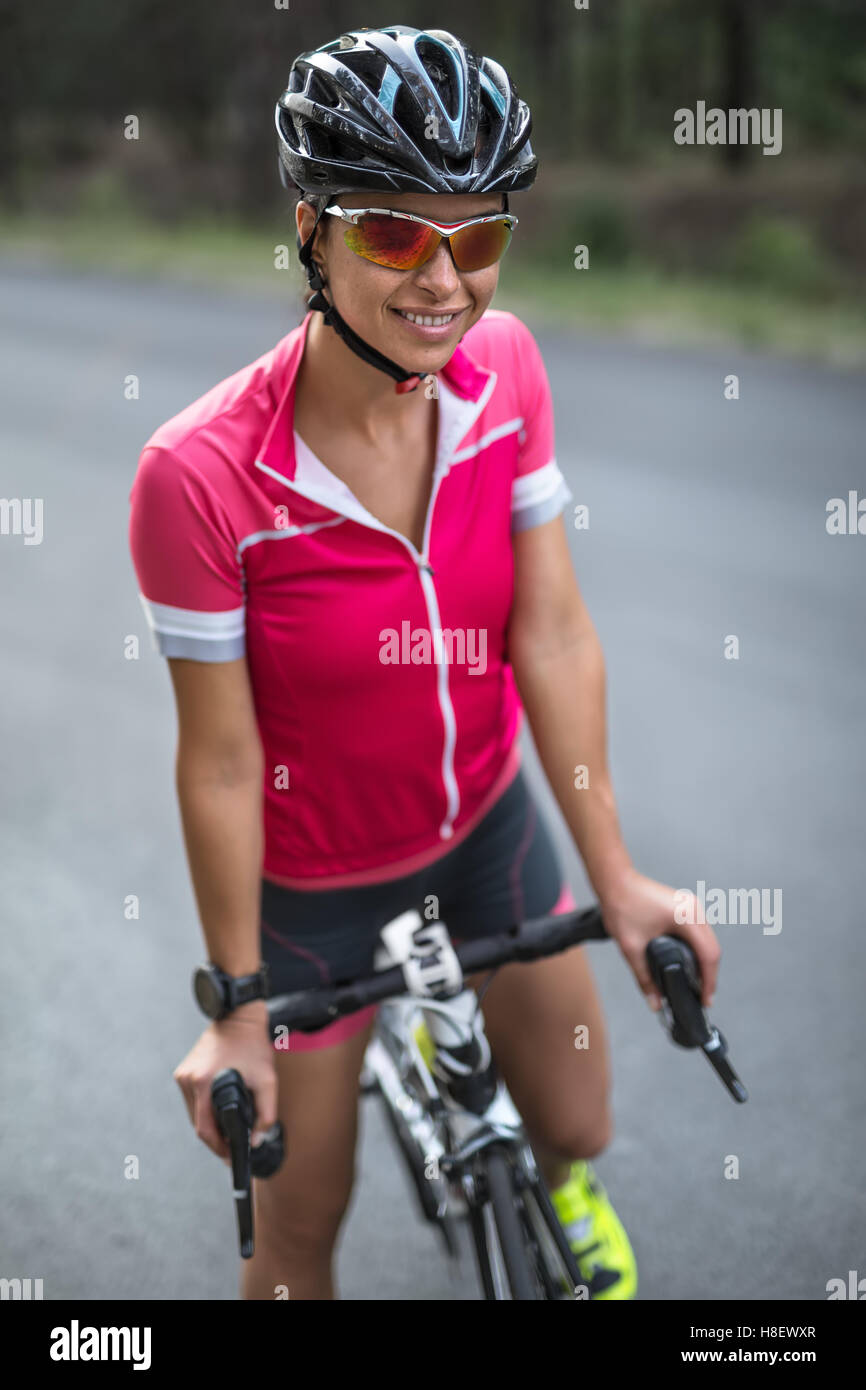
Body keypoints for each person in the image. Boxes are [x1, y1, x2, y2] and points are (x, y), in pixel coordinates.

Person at [128, 23, 719, 1301]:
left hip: (486, 833)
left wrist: (614, 876)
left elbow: (550, 631)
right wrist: (237, 1001)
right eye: (393, 233)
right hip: (316, 894)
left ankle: (556, 1189)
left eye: (480, 235)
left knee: (574, 1125)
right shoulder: (200, 475)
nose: (443, 280)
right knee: (299, 1239)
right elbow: (221, 762)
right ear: (310, 230)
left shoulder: (504, 373)